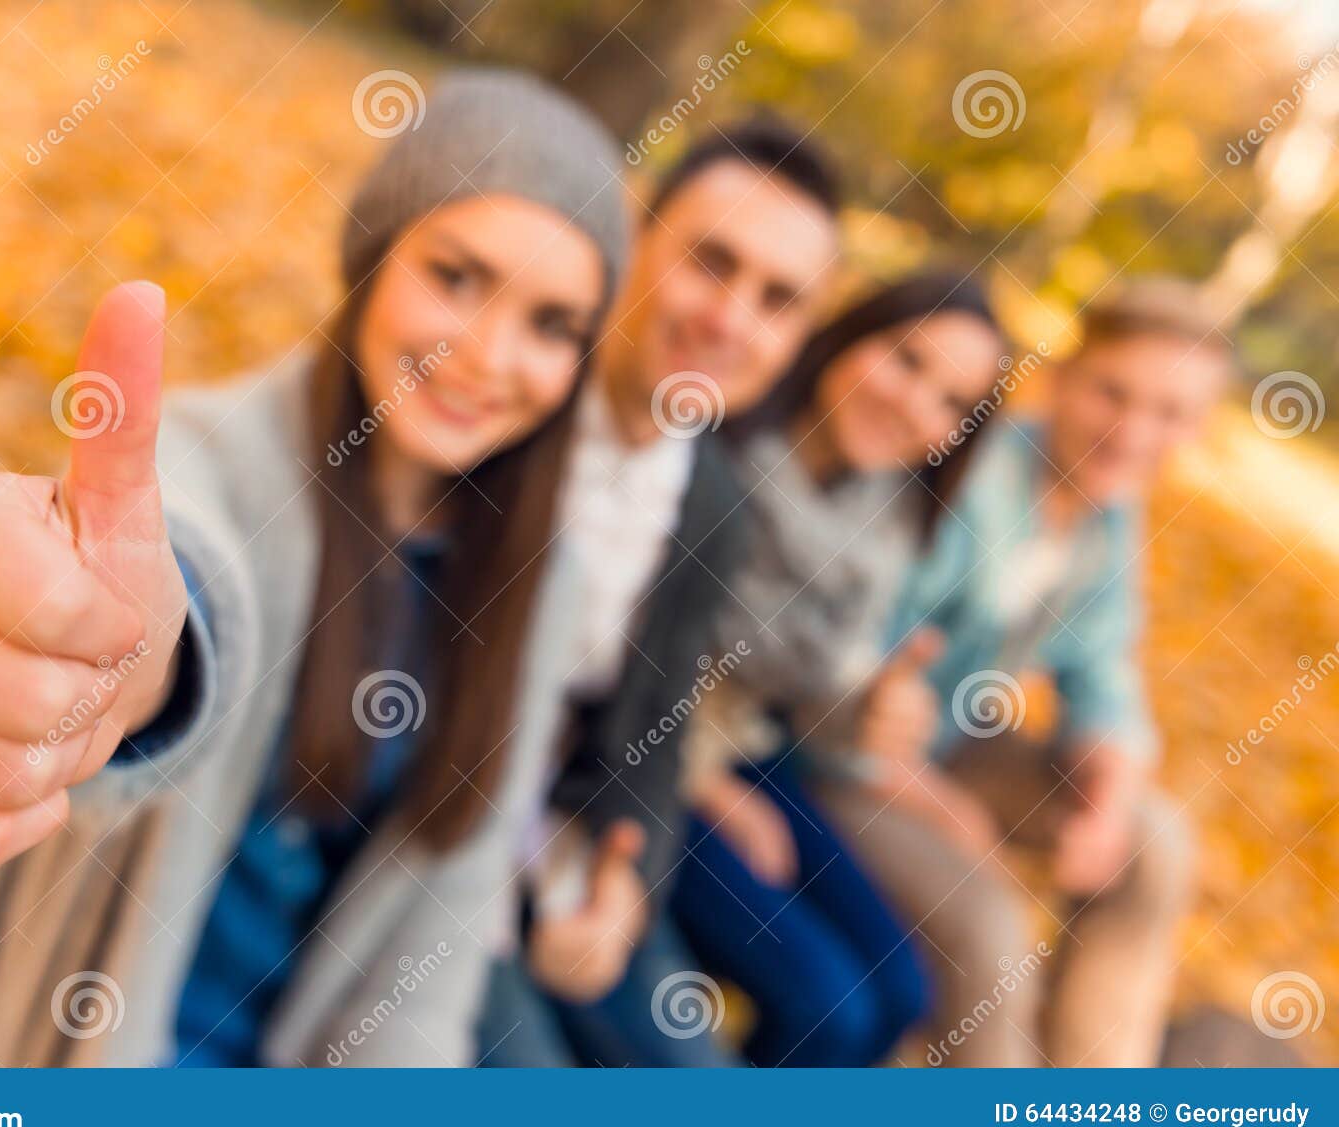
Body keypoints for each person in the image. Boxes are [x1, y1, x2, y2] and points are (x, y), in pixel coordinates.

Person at [0, 69, 629, 1067]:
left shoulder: (544, 593)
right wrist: (126, 667)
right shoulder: (208, 458)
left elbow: (445, 930)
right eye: (455, 277)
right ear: (372, 263)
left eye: (552, 325)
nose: (486, 354)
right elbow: (180, 596)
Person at [476, 119, 843, 1066]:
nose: (731, 321)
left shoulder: (713, 495)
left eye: (777, 301)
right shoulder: (497, 404)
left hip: (568, 850)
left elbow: (656, 722)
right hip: (435, 853)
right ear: (635, 239)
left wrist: (625, 880)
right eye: (710, 263)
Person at [820, 279, 1235, 1067]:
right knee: (990, 928)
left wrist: (1107, 795)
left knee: (1152, 839)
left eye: (1171, 414)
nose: (1132, 433)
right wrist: (945, 814)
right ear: (1062, 377)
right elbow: (838, 680)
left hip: (945, 751)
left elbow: (1102, 673)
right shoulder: (970, 475)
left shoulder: (1108, 515)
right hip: (839, 759)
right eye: (1113, 393)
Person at [667, 274, 1009, 1067]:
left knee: (903, 995)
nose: (913, 404)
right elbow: (625, 656)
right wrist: (705, 787)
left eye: (951, 401)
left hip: (753, 746)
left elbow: (811, 701)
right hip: (649, 750)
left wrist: (872, 714)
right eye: (905, 359)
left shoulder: (886, 521)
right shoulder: (724, 443)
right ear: (850, 332)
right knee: (828, 1006)